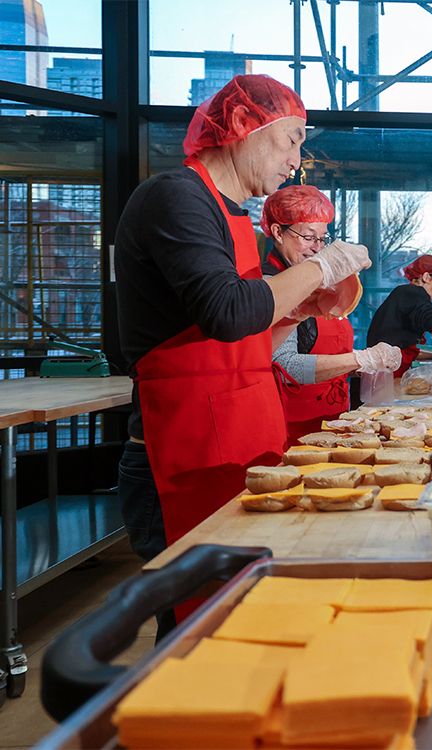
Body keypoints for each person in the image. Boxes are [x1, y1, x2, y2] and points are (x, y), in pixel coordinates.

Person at [114, 75, 371, 577]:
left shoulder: (229, 213)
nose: (297, 159)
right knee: (197, 618)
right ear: (240, 124)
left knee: (240, 601)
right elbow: (228, 313)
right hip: (184, 452)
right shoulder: (177, 197)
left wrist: (302, 310)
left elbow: (253, 343)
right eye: (293, 137)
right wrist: (323, 267)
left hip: (240, 441)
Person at [260, 185, 401, 441]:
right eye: (308, 236)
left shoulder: (318, 282)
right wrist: (362, 359)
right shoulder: (271, 284)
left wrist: (364, 366)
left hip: (333, 421)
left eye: (322, 238)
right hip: (293, 429)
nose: (317, 248)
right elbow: (285, 364)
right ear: (278, 232)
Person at [366, 255, 432, 376]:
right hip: (386, 375)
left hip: (385, 370)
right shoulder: (413, 292)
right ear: (426, 277)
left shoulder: (406, 297)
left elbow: (410, 352)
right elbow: (431, 321)